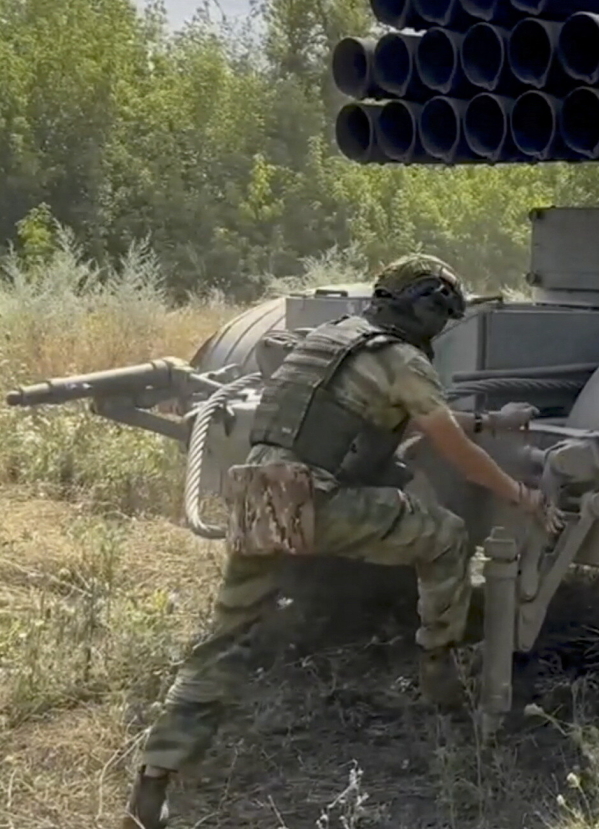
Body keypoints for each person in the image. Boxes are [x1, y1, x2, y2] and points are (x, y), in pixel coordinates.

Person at [122, 253, 561, 829]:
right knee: (447, 535)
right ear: (426, 309)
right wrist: (519, 494)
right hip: (314, 502)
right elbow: (458, 453)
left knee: (226, 640)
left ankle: (153, 781)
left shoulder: (328, 339)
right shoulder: (401, 360)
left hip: (255, 497)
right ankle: (439, 671)